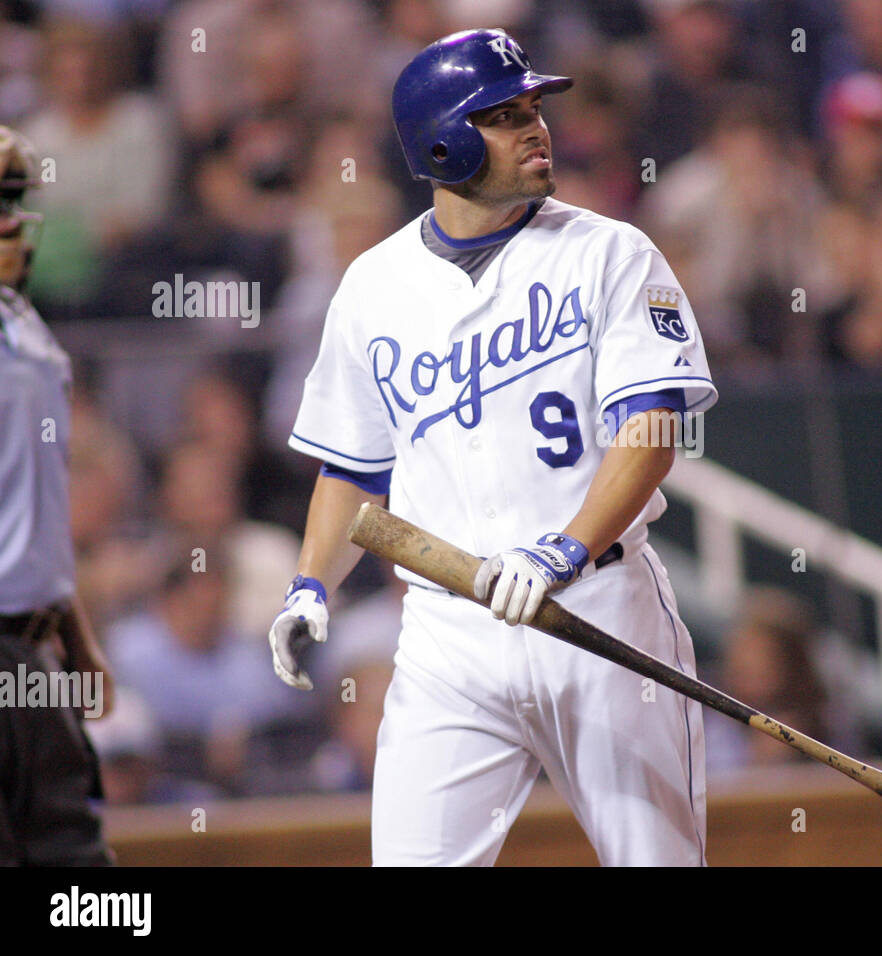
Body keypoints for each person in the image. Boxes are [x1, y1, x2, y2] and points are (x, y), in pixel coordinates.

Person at [267, 29, 715, 866]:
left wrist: (563, 550)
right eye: (505, 114)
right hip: (448, 634)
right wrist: (308, 586)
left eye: (533, 109)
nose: (536, 127)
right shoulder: (373, 285)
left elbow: (651, 430)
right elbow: (354, 471)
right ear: (445, 138)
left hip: (600, 609)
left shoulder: (611, 252)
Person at [0, 125, 115, 865]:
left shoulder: (26, 327)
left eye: (13, 199)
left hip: (28, 648)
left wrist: (76, 633)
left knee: (72, 858)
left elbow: (31, 504)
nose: (12, 219)